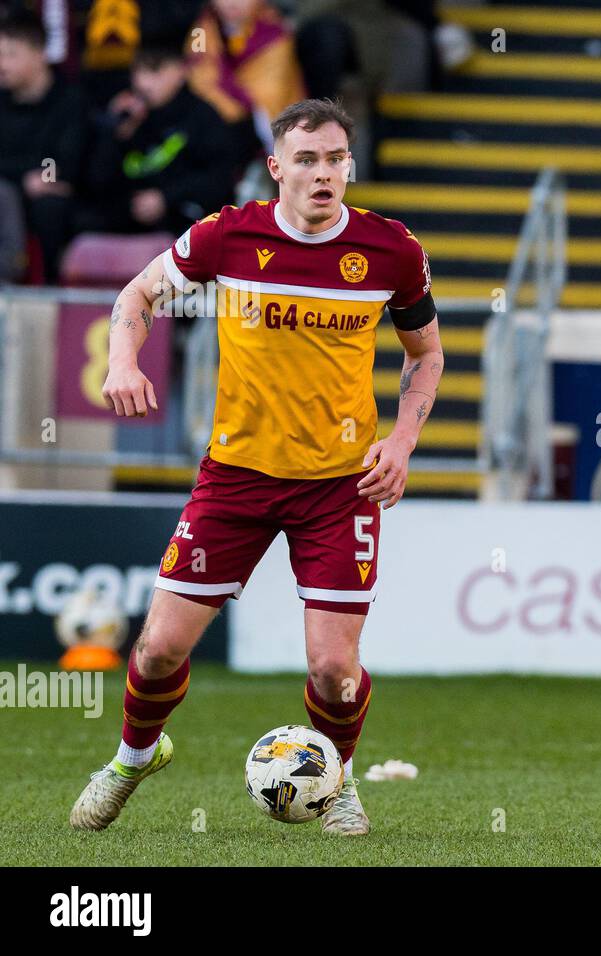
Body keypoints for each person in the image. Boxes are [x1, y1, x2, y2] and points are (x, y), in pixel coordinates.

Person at [69, 98, 445, 835]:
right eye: (306, 160)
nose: (323, 173)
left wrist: (400, 440)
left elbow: (426, 353)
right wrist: (122, 360)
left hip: (340, 486)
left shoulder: (391, 252)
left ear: (350, 166)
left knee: (333, 671)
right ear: (277, 169)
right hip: (236, 477)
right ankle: (131, 759)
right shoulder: (228, 237)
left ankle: (335, 784)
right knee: (154, 652)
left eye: (336, 158)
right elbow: (138, 294)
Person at [80, 41, 236, 236]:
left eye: (154, 71)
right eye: (138, 71)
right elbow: (97, 182)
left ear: (180, 71)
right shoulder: (128, 116)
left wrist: (165, 198)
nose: (143, 82)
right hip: (129, 218)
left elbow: (218, 178)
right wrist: (115, 136)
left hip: (183, 217)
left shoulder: (202, 116)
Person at [0, 11, 85, 282]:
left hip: (60, 198)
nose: (1, 64)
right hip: (9, 190)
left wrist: (46, 176)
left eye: (10, 54)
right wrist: (25, 176)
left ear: (40, 54)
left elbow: (67, 161)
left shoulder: (71, 101)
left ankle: (51, 291)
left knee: (49, 205)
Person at [188, 0, 305, 158]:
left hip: (259, 119)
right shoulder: (201, 31)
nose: (232, 3)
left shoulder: (274, 33)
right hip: (219, 116)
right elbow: (199, 73)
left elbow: (269, 95)